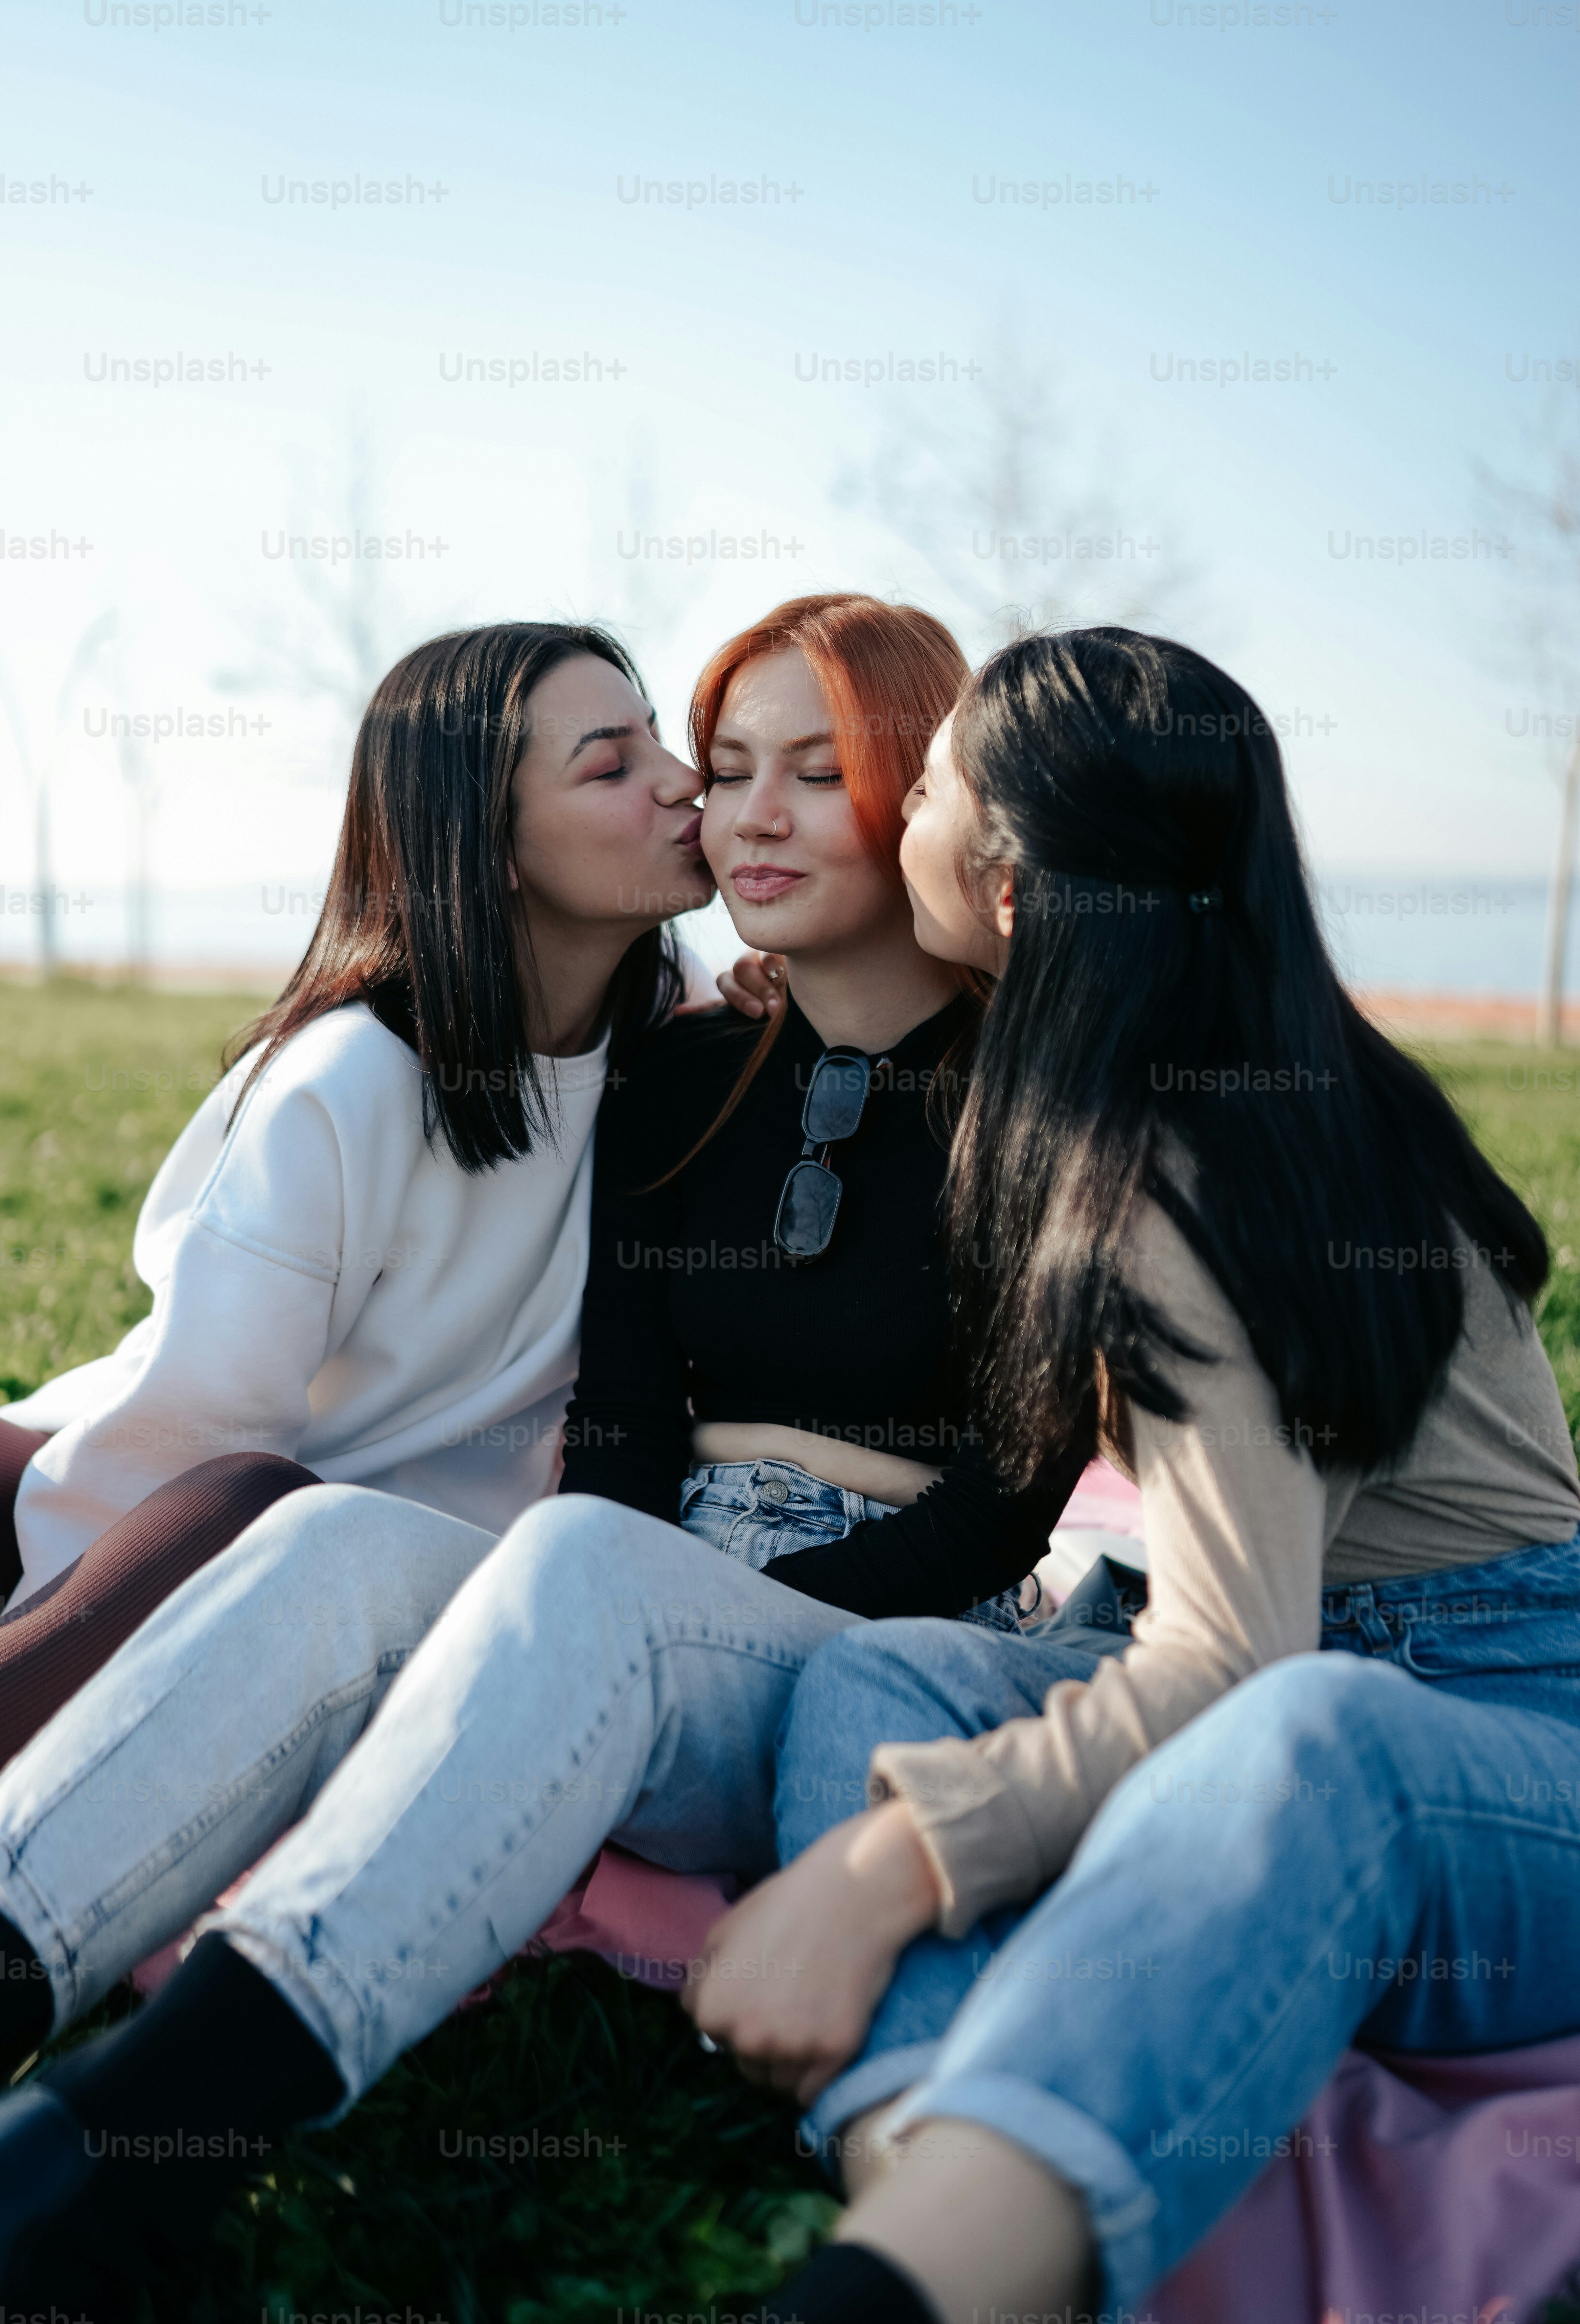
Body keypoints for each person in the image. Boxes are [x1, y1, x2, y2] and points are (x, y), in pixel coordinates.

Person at [0, 595, 1093, 2311]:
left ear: (932, 796)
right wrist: (594, 1591)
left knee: (580, 1564)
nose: (739, 809)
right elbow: (623, 1435)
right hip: (604, 1595)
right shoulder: (683, 1074)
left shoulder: (1049, 1096)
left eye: (820, 773)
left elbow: (1006, 1495)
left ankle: (141, 2159)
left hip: (876, 1640)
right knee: (330, 1541)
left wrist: (682, 1590)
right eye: (725, 767)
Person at [677, 628, 1580, 2324]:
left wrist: (890, 1870)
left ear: (1010, 889)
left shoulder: (1187, 1164)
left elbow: (1245, 1666)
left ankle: (896, 2289)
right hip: (1306, 1660)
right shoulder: (1169, 1064)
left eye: (928, 783)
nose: (896, 805)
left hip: (1514, 1740)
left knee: (1315, 1741)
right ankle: (943, 2180)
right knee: (880, 1673)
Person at [0, 620, 773, 1764]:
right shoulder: (349, 1082)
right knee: (235, 1497)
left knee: (269, 1510)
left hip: (361, 1543)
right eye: (611, 766)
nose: (682, 782)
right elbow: (195, 1424)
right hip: (163, 1487)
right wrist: (72, 1617)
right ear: (490, 849)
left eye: (658, 736)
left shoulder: (671, 1016)